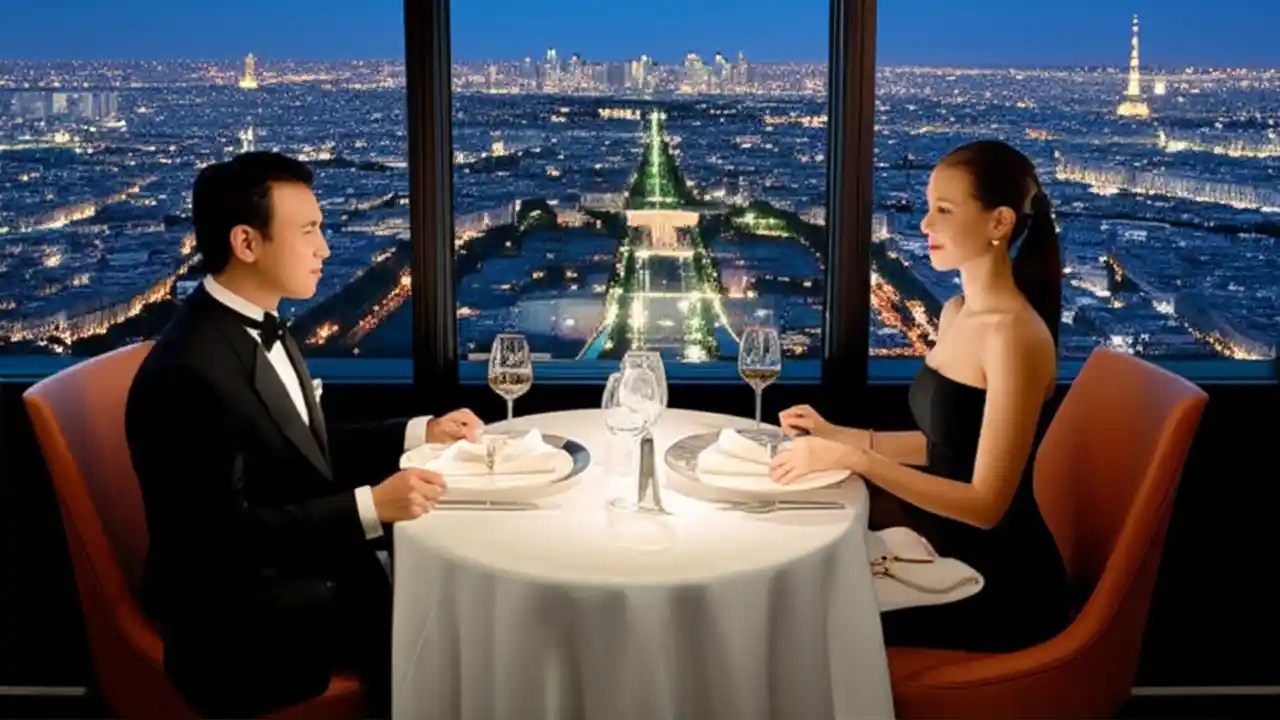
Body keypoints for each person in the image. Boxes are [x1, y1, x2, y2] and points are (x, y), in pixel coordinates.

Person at [125, 151, 482, 716]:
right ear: (246, 243)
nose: (326, 249)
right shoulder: (186, 372)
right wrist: (370, 507)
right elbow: (216, 543)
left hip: (289, 571)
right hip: (237, 626)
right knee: (457, 617)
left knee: (452, 592)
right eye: (309, 230)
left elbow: (300, 451)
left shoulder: (255, 322)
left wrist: (421, 433)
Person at [771, 139, 1071, 652]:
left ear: (1000, 222)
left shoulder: (1015, 337)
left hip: (996, 581)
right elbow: (950, 446)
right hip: (946, 544)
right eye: (929, 207)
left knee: (808, 618)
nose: (925, 224)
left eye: (944, 210)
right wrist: (839, 435)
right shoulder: (955, 312)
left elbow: (986, 505)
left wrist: (856, 459)